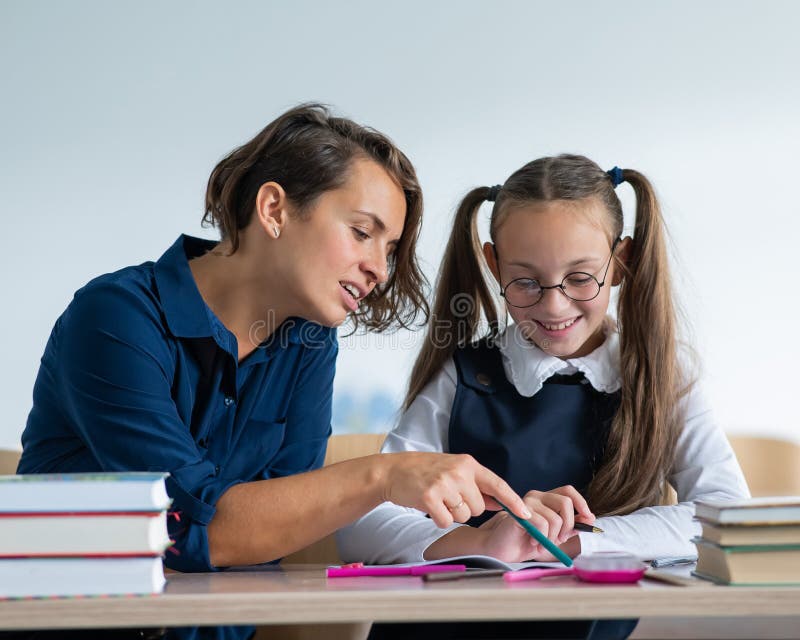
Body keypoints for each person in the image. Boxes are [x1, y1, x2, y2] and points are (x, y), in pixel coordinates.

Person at [14, 104, 531, 640]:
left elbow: (277, 528)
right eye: (361, 232)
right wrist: (383, 475)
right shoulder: (114, 318)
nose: (380, 268)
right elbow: (203, 528)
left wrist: (477, 539)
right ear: (274, 209)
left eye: (390, 247)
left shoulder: (309, 343)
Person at [338, 154, 750, 640]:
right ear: (493, 265)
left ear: (620, 262)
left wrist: (580, 542)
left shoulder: (664, 378)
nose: (554, 306)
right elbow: (361, 517)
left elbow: (728, 514)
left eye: (580, 278)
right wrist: (482, 541)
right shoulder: (464, 375)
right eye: (526, 281)